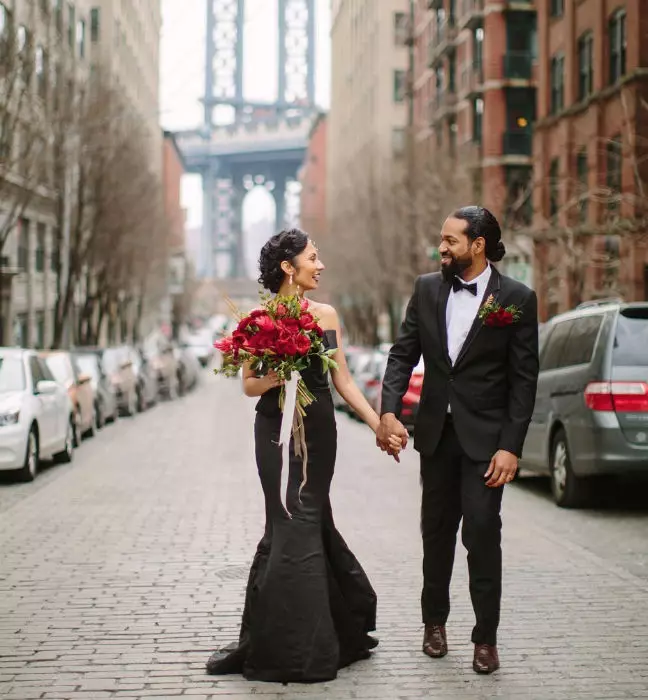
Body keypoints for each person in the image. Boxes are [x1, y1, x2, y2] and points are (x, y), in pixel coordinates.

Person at [206, 228, 402, 683]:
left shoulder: (327, 314)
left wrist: (379, 427)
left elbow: (345, 381)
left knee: (306, 519)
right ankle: (292, 644)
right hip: (273, 430)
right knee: (286, 521)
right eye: (314, 258)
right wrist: (282, 371)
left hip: (317, 432)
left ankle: (315, 638)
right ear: (288, 269)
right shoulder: (256, 318)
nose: (321, 265)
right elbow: (249, 385)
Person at [376, 206, 539, 675]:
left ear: (478, 244)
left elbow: (524, 380)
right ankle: (434, 623)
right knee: (436, 534)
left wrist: (511, 445)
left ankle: (485, 638)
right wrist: (389, 411)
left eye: (450, 241)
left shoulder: (518, 299)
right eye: (441, 240)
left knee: (483, 533)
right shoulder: (427, 288)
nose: (441, 248)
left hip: (488, 442)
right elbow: (402, 354)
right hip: (436, 437)